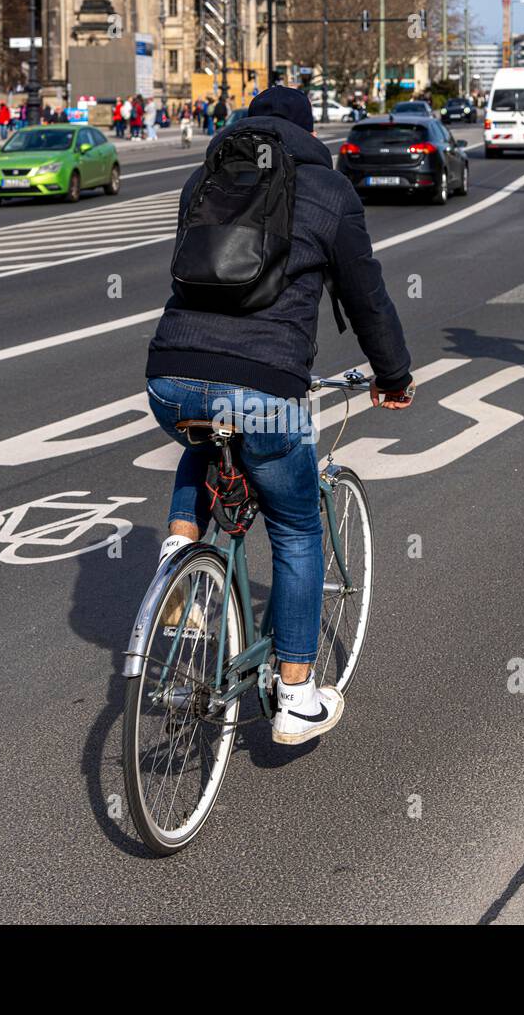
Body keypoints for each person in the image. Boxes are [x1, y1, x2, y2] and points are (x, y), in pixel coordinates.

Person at [145, 86, 415, 745]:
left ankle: (181, 548)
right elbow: (367, 295)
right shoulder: (327, 192)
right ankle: (295, 694)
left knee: (202, 433)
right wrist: (394, 375)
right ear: (304, 131)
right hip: (265, 389)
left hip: (169, 373)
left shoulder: (200, 179)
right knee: (296, 528)